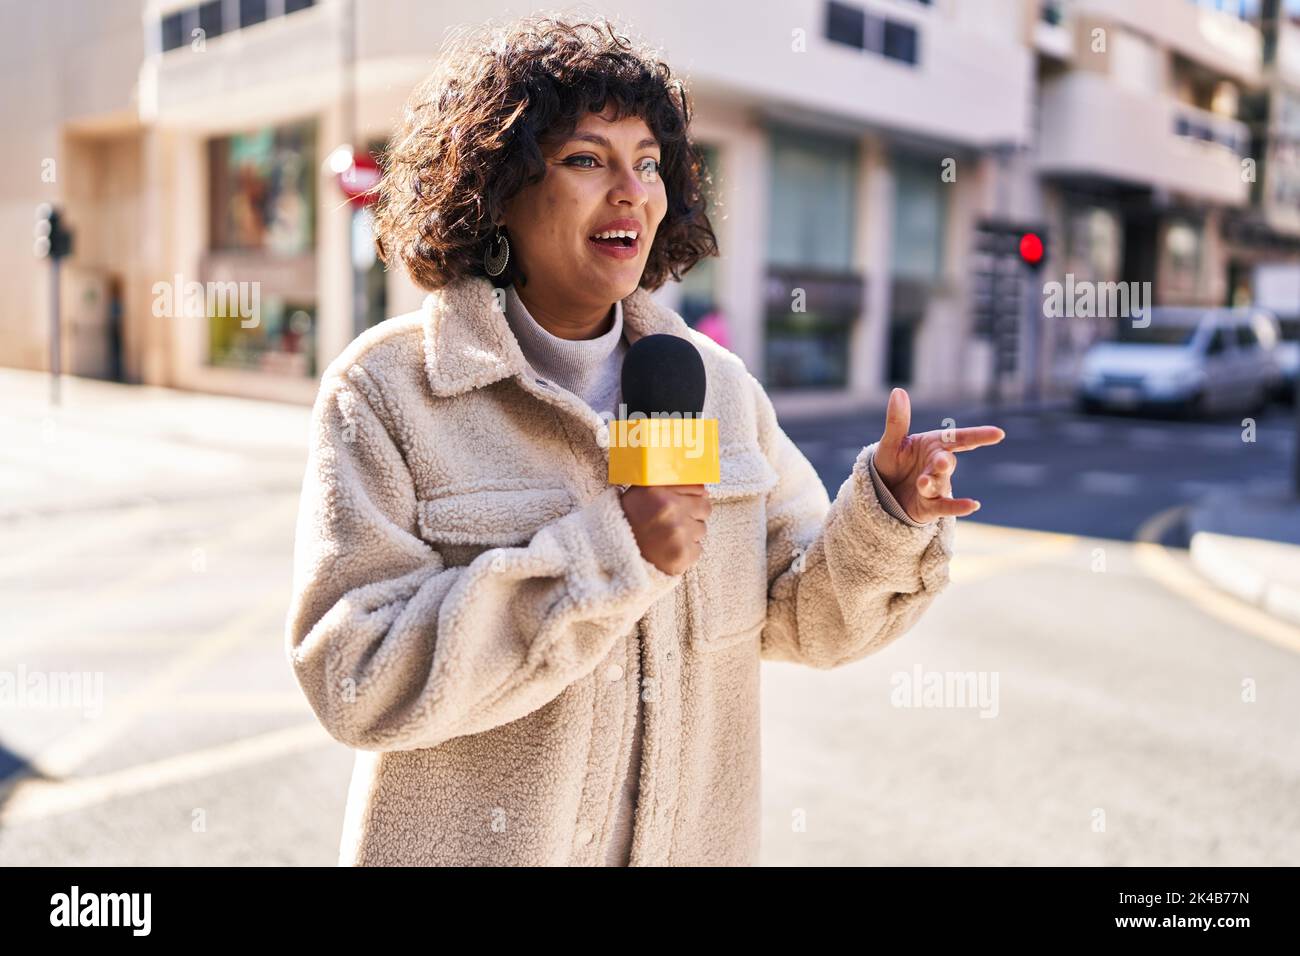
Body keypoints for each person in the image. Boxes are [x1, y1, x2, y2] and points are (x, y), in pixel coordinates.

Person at [284, 14, 1005, 867]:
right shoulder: (391, 390)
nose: (633, 190)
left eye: (651, 163)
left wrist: (887, 513)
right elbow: (354, 675)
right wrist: (607, 555)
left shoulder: (722, 390)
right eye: (588, 159)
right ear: (499, 187)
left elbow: (805, 618)